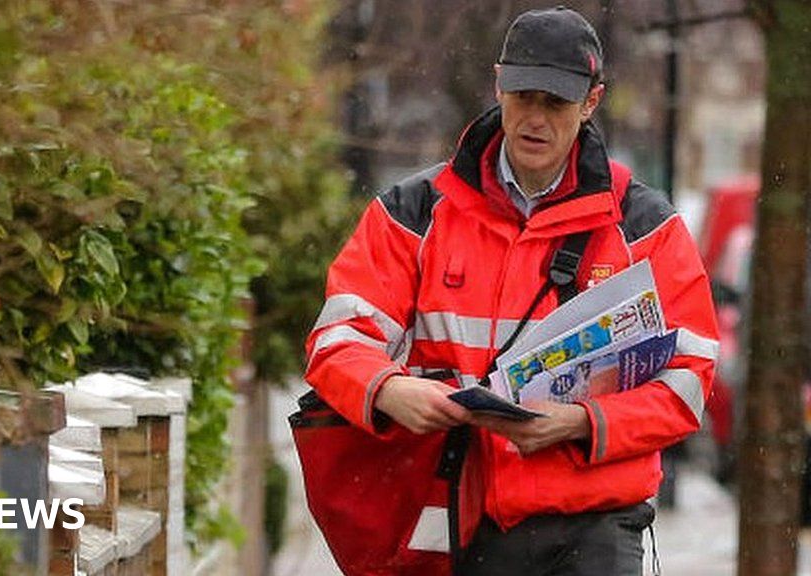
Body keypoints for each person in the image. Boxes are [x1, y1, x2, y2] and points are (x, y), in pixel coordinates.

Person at [303, 6, 719, 575]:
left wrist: (582, 423)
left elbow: (689, 378)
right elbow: (337, 338)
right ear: (499, 85)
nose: (536, 119)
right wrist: (387, 389)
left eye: (557, 103)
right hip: (466, 517)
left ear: (591, 103)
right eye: (525, 96)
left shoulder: (645, 226)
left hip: (597, 523)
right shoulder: (414, 214)